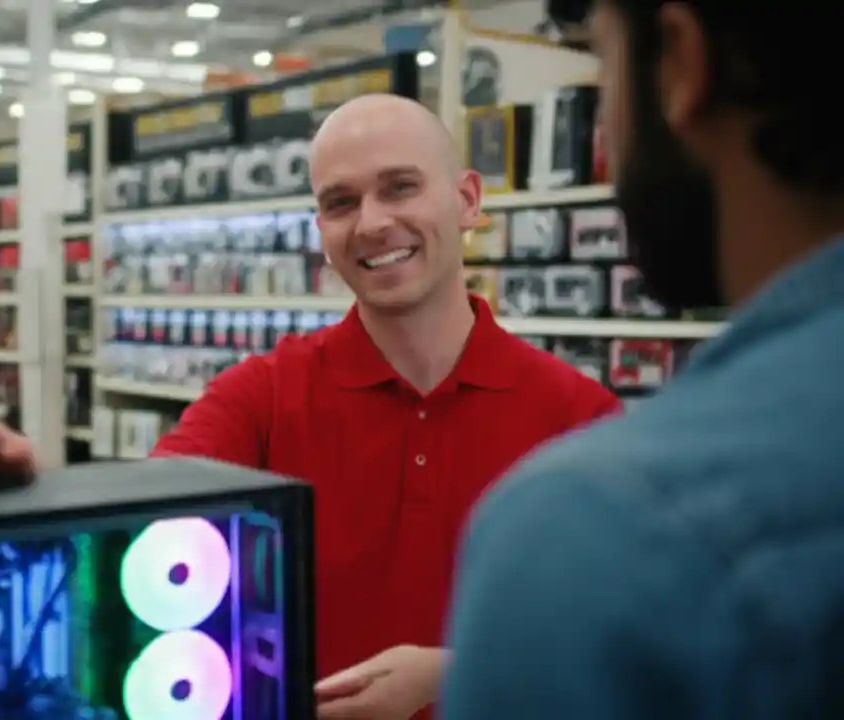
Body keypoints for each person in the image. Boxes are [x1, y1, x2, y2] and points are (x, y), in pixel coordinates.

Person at [0, 93, 620, 718]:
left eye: (400, 187)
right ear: (320, 231)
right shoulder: (262, 396)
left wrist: (454, 673)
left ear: (466, 200)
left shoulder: (579, 418)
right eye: (340, 203)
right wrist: (47, 499)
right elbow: (151, 514)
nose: (370, 223)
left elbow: (629, 640)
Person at [329, 1, 844, 718]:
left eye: (601, 66)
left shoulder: (598, 515)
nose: (374, 222)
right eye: (339, 201)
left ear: (680, 65)